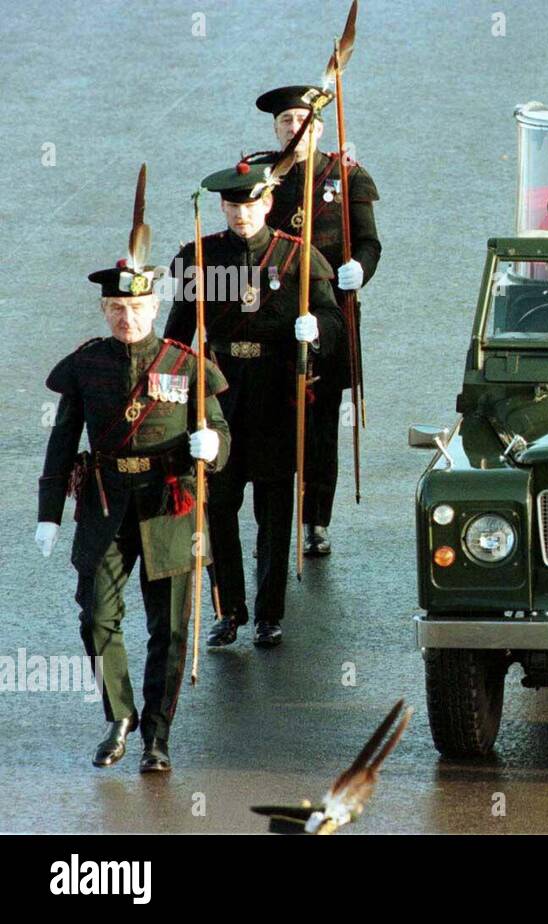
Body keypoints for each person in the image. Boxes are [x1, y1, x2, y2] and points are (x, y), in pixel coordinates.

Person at [36, 235, 230, 773]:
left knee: (168, 630)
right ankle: (119, 714)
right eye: (117, 309)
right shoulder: (86, 366)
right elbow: (61, 442)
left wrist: (211, 448)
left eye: (137, 308)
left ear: (155, 308)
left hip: (170, 506)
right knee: (97, 618)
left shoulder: (186, 364)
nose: (128, 317)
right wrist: (48, 513)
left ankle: (157, 737)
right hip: (105, 505)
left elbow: (219, 429)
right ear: (105, 310)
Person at [164, 154, 342, 649]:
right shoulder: (198, 258)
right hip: (219, 391)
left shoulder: (297, 257)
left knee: (273, 508)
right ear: (222, 209)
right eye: (231, 207)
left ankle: (268, 613)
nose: (241, 215)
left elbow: (333, 321)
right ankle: (228, 611)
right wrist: (171, 392)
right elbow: (178, 336)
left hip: (275, 394)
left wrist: (316, 331)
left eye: (250, 205)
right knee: (219, 506)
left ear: (267, 204)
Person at [258, 85, 382, 557]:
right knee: (270, 419)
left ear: (320, 126)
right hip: (271, 313)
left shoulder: (345, 176)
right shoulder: (262, 175)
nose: (295, 128)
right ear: (276, 129)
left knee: (321, 421)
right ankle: (273, 521)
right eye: (286, 121)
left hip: (328, 310)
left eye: (303, 120)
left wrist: (359, 272)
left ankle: (315, 521)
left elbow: (369, 243)